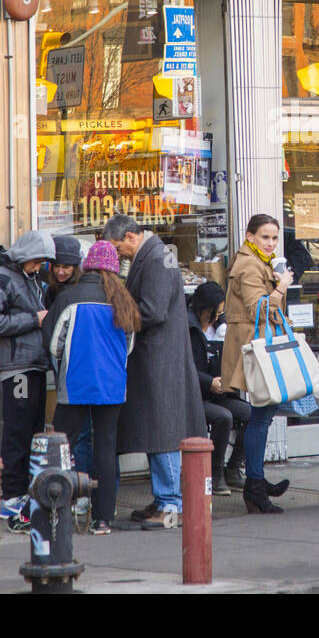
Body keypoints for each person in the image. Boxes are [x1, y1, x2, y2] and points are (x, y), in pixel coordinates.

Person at [104, 215, 208, 529]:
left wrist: (117, 313)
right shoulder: (152, 256)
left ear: (131, 237)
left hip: (159, 359)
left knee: (162, 429)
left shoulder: (157, 260)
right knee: (156, 427)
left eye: (118, 247)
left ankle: (170, 502)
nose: (118, 254)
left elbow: (152, 310)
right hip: (155, 356)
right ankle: (164, 498)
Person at [42, 240, 138, 535]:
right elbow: (129, 346)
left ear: (87, 266)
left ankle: (56, 509)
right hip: (112, 386)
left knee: (62, 445)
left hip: (75, 382)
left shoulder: (70, 297)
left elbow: (53, 342)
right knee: (106, 449)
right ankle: (103, 519)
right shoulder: (122, 300)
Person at [0, 229, 54, 530]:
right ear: (25, 256)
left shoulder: (29, 277)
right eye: (37, 261)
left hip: (33, 363)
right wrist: (34, 319)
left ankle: (23, 493)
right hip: (17, 366)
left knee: (32, 430)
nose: (39, 268)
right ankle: (10, 495)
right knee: (18, 431)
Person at [222, 214, 295, 514]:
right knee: (261, 416)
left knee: (263, 414)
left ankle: (256, 480)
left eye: (275, 237)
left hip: (259, 343)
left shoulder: (260, 260)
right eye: (265, 237)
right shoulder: (250, 264)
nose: (271, 242)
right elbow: (258, 308)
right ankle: (254, 485)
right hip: (255, 345)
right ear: (250, 236)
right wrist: (281, 287)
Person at [41, 235, 93, 506]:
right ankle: (72, 487)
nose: (61, 271)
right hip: (63, 369)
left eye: (67, 267)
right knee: (72, 433)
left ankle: (80, 490)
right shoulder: (50, 291)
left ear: (77, 267)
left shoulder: (75, 293)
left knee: (79, 433)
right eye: (57, 266)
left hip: (76, 370)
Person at [188, 281, 250, 495]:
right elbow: (184, 369)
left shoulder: (221, 327)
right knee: (223, 417)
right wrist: (209, 382)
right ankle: (215, 474)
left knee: (251, 414)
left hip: (218, 391)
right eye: (218, 310)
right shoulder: (189, 329)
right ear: (207, 309)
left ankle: (233, 468)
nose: (219, 315)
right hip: (195, 395)